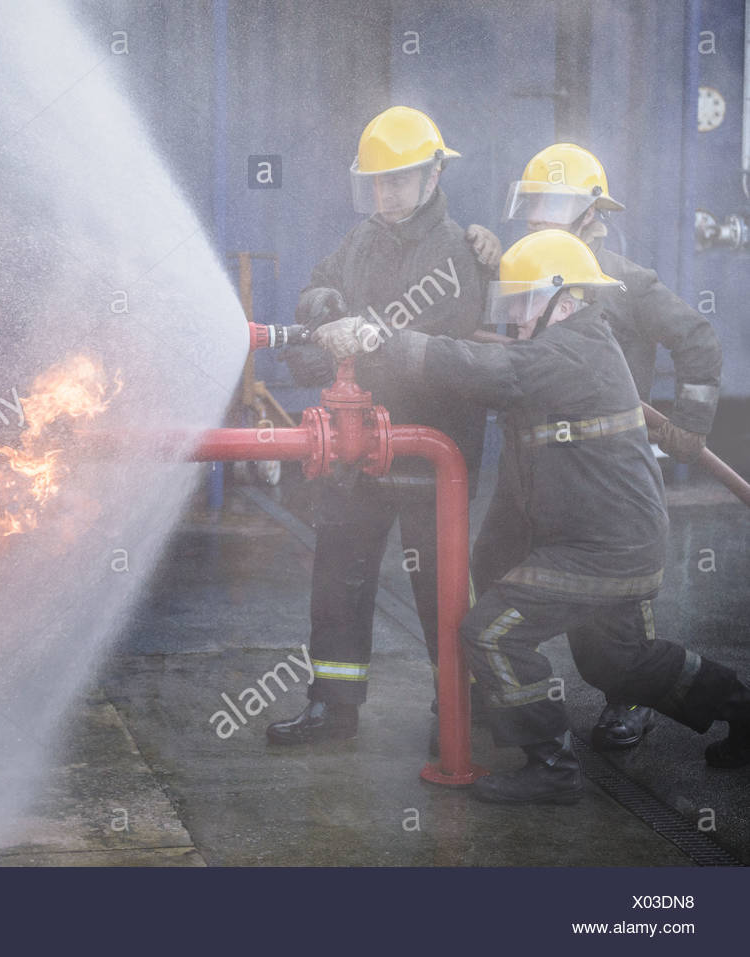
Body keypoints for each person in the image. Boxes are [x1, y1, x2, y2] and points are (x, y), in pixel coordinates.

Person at [313, 230, 749, 803]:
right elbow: (491, 363)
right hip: (612, 542)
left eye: (523, 305)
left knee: (489, 632)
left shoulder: (570, 349)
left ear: (563, 301)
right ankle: (741, 708)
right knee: (622, 660)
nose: (514, 319)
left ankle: (553, 765)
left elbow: (487, 370)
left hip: (601, 550)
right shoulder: (570, 342)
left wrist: (380, 340)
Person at [469, 144, 723, 751]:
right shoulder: (521, 266)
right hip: (529, 464)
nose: (535, 217)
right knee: (492, 569)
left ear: (590, 213)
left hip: (601, 472)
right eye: (531, 204)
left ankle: (627, 701)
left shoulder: (627, 283)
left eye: (550, 205)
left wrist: (689, 424)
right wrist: (476, 250)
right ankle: (499, 688)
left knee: (611, 617)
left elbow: (698, 338)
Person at [266, 106, 487, 747]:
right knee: (339, 574)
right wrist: (328, 312)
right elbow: (319, 287)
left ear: (434, 174)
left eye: (399, 179)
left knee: (440, 590)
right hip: (361, 452)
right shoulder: (365, 238)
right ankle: (333, 710)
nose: (386, 193)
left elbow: (422, 347)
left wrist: (346, 345)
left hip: (427, 453)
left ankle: (457, 712)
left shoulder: (455, 254)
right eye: (378, 182)